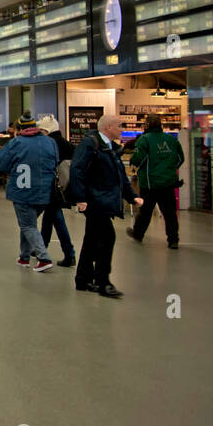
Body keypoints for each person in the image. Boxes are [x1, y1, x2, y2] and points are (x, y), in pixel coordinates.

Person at [71, 114, 142, 297]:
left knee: (92, 239)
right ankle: (103, 282)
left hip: (103, 199)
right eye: (119, 125)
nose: (122, 129)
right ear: (108, 127)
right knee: (107, 238)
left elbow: (120, 177)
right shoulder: (90, 144)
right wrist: (80, 198)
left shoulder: (111, 148)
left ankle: (83, 278)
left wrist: (132, 196)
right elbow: (77, 171)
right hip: (95, 201)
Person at [0, 112, 59, 272]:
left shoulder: (15, 143)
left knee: (28, 225)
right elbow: (56, 161)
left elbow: (2, 164)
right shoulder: (50, 142)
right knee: (28, 224)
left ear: (19, 128)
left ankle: (44, 258)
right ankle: (24, 257)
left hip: (22, 191)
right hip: (45, 191)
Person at [127, 115, 183, 249]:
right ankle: (173, 240)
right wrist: (169, 170)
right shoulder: (171, 139)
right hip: (168, 182)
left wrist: (133, 162)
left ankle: (138, 234)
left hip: (150, 182)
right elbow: (180, 158)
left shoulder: (144, 140)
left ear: (147, 125)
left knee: (145, 211)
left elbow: (138, 158)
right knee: (170, 213)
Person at [37, 115, 76, 267]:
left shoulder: (49, 144)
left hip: (52, 187)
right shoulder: (67, 144)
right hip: (63, 188)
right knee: (49, 218)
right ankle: (40, 248)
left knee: (56, 219)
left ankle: (69, 253)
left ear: (46, 131)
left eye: (41, 130)